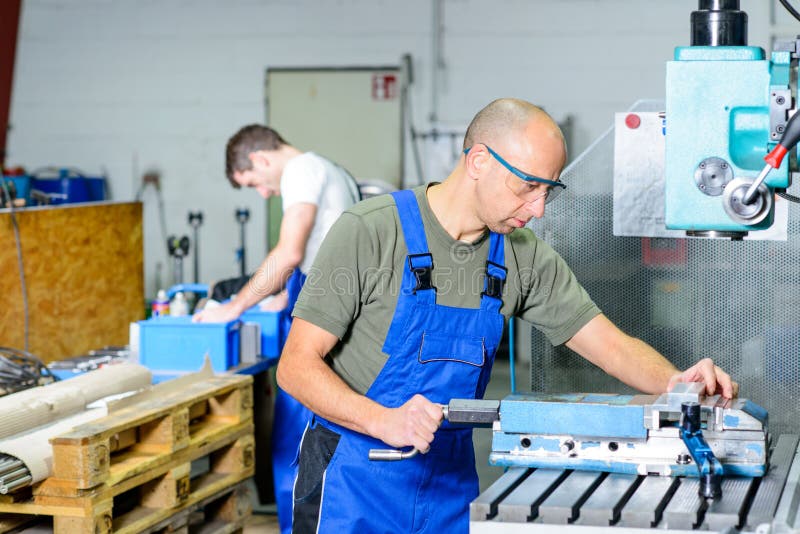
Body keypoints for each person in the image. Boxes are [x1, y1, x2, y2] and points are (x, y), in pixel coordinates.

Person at [276, 98, 737, 533]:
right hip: (352, 479)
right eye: (527, 186)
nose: (536, 209)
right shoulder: (370, 231)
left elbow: (609, 345)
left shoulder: (521, 256)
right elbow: (296, 367)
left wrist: (677, 383)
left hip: (449, 484)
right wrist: (383, 420)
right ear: (478, 162)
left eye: (548, 192)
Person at [194, 124, 360, 534]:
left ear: (259, 159)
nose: (263, 193)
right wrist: (287, 296)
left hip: (324, 313)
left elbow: (290, 251)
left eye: (254, 182)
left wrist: (232, 307)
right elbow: (328, 249)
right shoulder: (329, 168)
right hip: (331, 300)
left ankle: (296, 527)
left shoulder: (301, 170)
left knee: (296, 434)